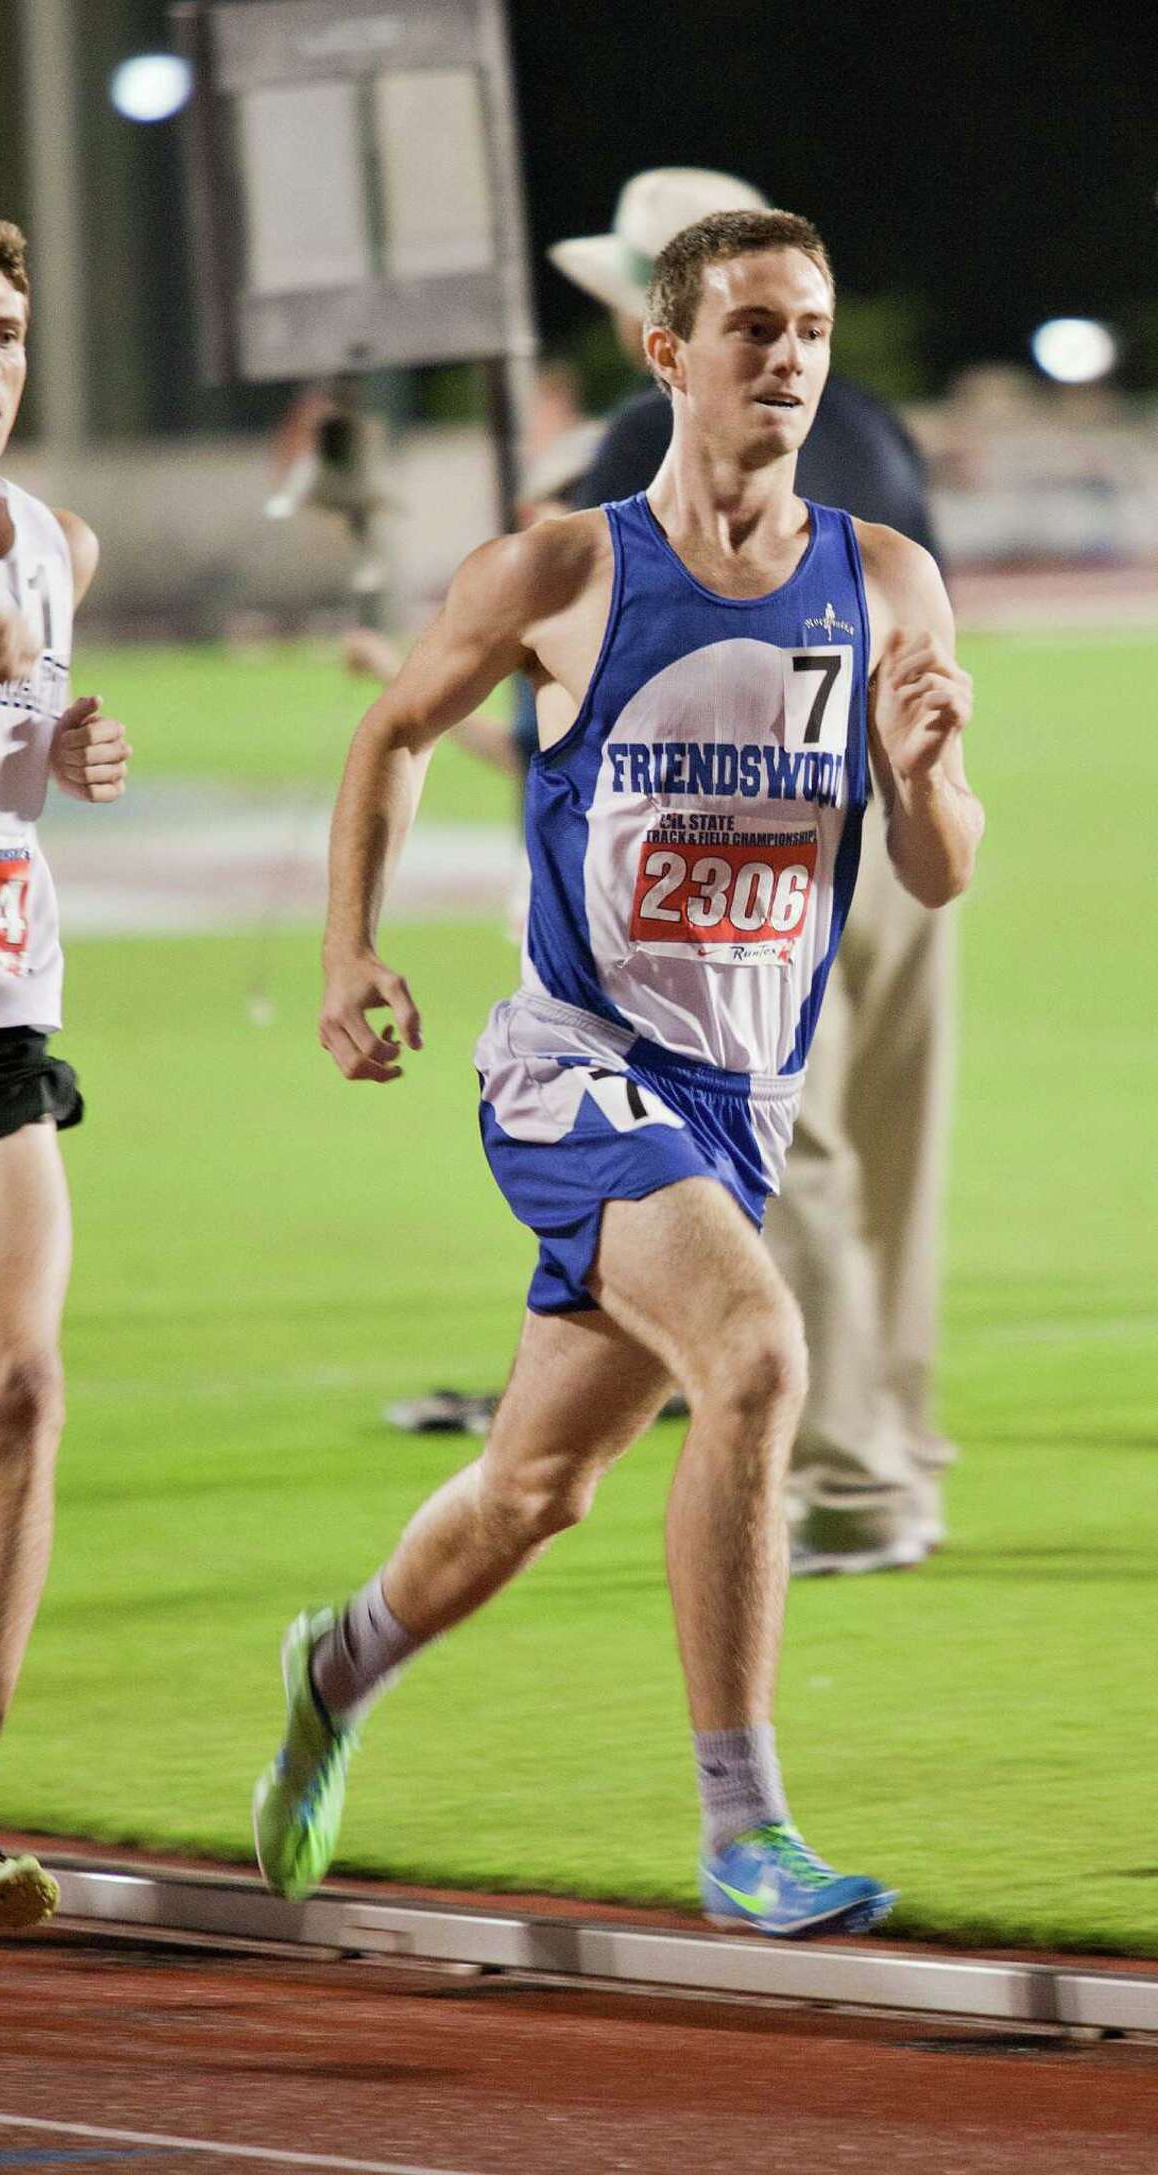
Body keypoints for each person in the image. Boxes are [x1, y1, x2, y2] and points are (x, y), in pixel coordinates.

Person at [254, 208, 981, 1936]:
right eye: (751, 329)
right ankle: (746, 1829)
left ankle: (333, 1668)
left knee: (534, 1489)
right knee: (758, 1353)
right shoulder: (560, 574)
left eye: (807, 329)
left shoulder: (884, 580)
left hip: (736, 1105)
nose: (788, 358)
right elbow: (393, 733)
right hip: (573, 1065)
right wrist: (352, 954)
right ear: (668, 356)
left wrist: (921, 776)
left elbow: (943, 868)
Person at [553, 169, 956, 1573]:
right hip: (905, 825)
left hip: (775, 859)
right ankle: (898, 1428)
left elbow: (585, 699)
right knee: (895, 1159)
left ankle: (851, 1482)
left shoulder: (634, 442)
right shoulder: (874, 424)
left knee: (808, 1160)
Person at [0, 219, 131, 1925]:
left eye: (3, 333)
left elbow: (24, 746)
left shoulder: (52, 549)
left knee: (17, 1395)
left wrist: (75, 743)